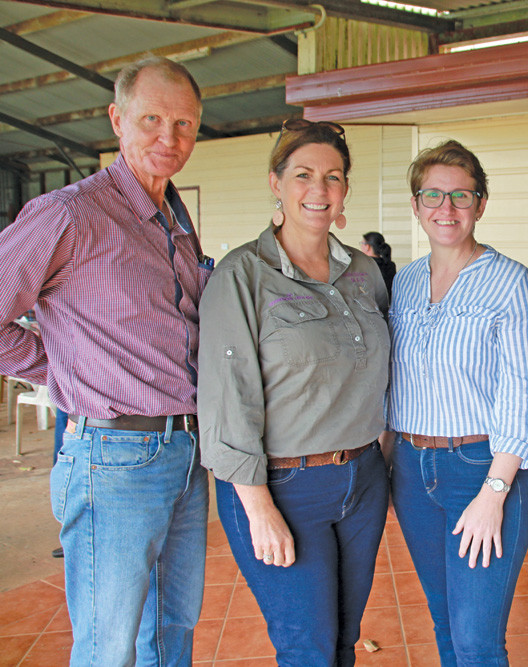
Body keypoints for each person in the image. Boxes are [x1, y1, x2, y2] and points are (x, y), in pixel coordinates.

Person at [0, 56, 210, 665]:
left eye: (185, 125)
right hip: (113, 459)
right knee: (108, 646)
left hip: (186, 454)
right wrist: (59, 367)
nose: (168, 140)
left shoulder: (173, 215)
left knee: (172, 632)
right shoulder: (69, 213)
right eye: (151, 119)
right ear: (117, 119)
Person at [198, 119, 390, 665]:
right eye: (303, 174)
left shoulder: (363, 272)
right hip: (284, 487)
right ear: (276, 183)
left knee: (342, 642)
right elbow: (227, 397)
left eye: (333, 176)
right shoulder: (243, 276)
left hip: (362, 478)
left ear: (345, 189)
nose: (319, 189)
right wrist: (257, 507)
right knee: (307, 649)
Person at [386, 140, 528, 665]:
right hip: (412, 468)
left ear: (480, 204)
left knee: (478, 640)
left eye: (461, 196)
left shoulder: (510, 282)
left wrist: (494, 491)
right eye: (432, 195)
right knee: (446, 622)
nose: (446, 208)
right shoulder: (404, 283)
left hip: (482, 467)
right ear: (415, 205)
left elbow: (521, 394)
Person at [361, 230, 397, 297]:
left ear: (367, 246)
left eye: (362, 243)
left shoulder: (363, 264)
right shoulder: (390, 264)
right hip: (388, 305)